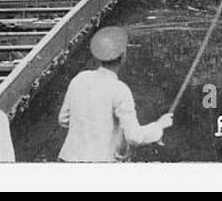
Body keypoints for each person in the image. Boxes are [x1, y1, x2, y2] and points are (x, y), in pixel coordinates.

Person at [58, 26, 173, 162]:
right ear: (123, 56)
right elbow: (134, 137)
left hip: (67, 160)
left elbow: (63, 120)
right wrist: (159, 126)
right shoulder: (120, 90)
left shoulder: (79, 79)